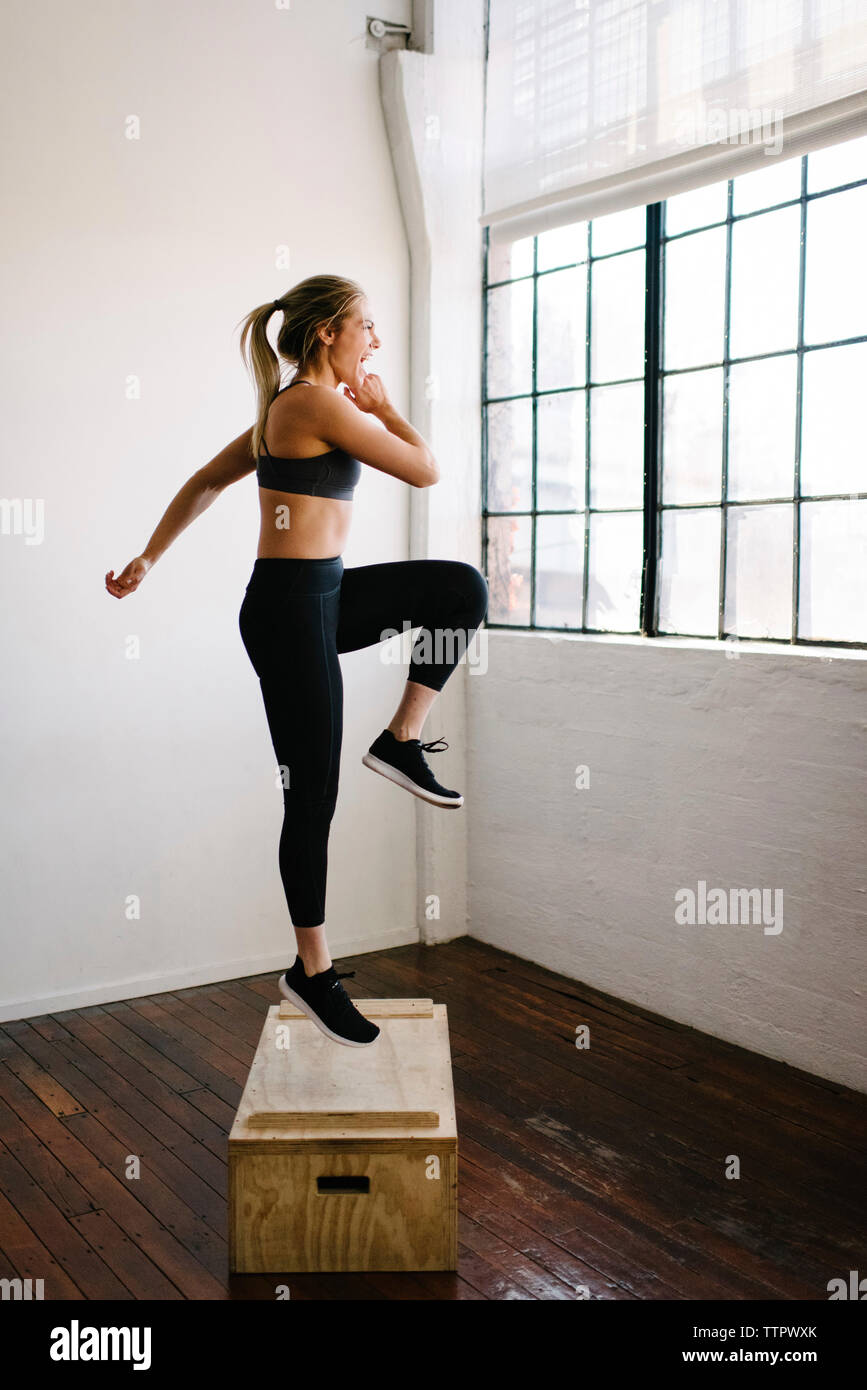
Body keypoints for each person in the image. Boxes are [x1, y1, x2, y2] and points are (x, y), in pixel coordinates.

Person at [105, 274, 488, 1047]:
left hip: (324, 595)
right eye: (366, 328)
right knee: (311, 795)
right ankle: (310, 972)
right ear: (327, 335)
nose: (375, 342)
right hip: (286, 613)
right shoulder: (312, 404)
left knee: (458, 590)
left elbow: (209, 478)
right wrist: (382, 409)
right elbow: (425, 468)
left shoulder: (292, 407)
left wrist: (150, 554)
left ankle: (400, 740)